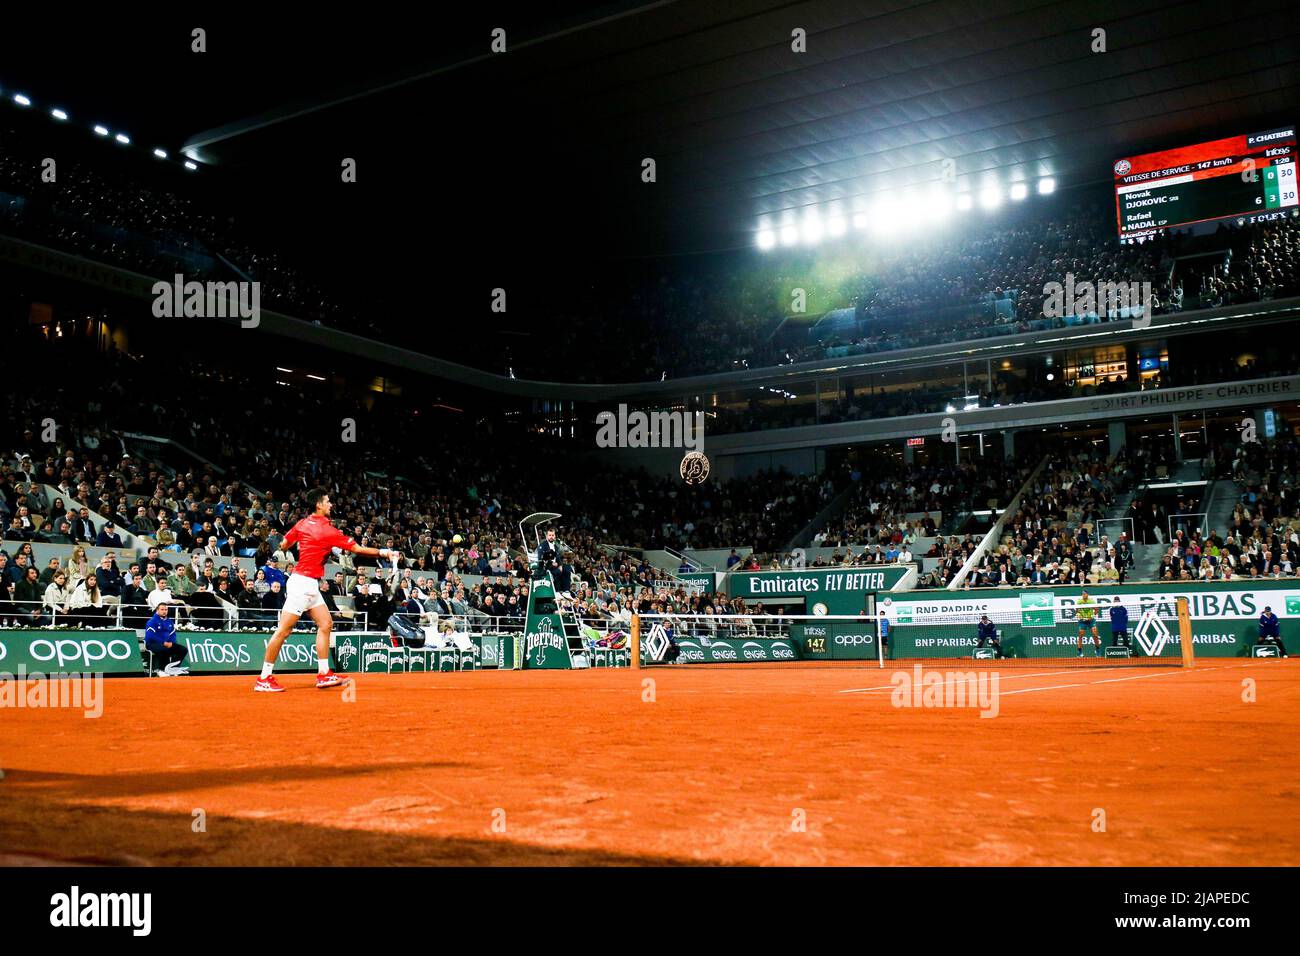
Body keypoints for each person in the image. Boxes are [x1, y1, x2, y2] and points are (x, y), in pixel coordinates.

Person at [255, 487, 401, 693]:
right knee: (283, 631)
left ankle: (324, 674)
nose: (331, 504)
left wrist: (308, 547)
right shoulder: (328, 530)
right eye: (328, 501)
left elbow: (285, 545)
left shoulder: (302, 523)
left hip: (308, 582)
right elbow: (357, 549)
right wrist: (386, 553)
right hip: (302, 584)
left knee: (325, 623)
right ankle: (264, 677)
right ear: (319, 505)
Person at [145, 603, 189, 676]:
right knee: (164, 649)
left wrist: (171, 643)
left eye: (166, 609)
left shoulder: (169, 622)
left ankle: (172, 669)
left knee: (183, 650)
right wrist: (163, 642)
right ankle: (161, 670)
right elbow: (150, 636)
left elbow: (172, 634)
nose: (164, 611)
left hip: (167, 643)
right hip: (152, 643)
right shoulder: (152, 621)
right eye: (162, 609)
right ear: (157, 610)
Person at [1075, 590, 1101, 657]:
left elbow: (1096, 610)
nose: (1083, 595)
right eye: (1082, 594)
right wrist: (1079, 615)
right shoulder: (1079, 602)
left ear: (1087, 594)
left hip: (1091, 620)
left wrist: (1092, 616)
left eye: (1085, 594)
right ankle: (1079, 651)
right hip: (1082, 621)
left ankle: (1097, 650)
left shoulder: (1091, 601)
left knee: (1095, 634)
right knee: (1081, 634)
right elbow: (1077, 611)